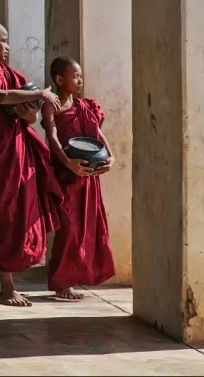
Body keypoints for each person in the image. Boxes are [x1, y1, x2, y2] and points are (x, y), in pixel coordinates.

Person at [0, 20, 65, 307]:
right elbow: (0, 96)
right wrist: (41, 94)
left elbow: (28, 116)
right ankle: (7, 287)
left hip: (15, 149)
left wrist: (30, 109)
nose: (7, 47)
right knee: (2, 214)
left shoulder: (8, 73)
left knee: (9, 212)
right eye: (4, 41)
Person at [41, 56, 116, 300]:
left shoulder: (84, 106)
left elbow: (98, 136)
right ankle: (62, 281)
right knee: (70, 228)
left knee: (88, 227)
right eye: (75, 76)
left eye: (81, 75)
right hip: (65, 176)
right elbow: (52, 138)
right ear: (59, 79)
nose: (80, 80)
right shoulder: (51, 106)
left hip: (87, 175)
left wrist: (111, 157)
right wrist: (68, 163)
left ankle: (76, 277)